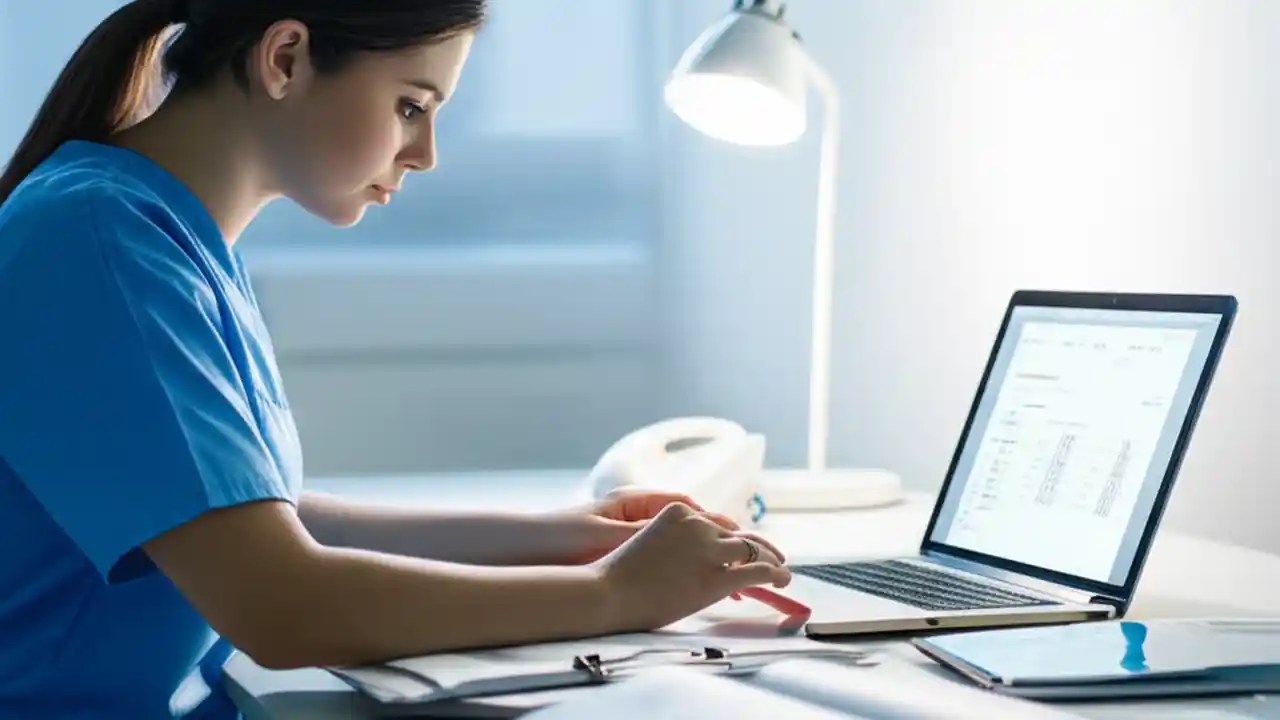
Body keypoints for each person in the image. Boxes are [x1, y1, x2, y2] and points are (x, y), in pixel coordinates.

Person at [0, 1, 793, 718]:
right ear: (285, 58)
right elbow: (283, 605)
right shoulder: (99, 240)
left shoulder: (156, 235)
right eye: (411, 105)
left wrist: (566, 535)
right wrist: (615, 592)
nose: (427, 153)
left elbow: (265, 524)